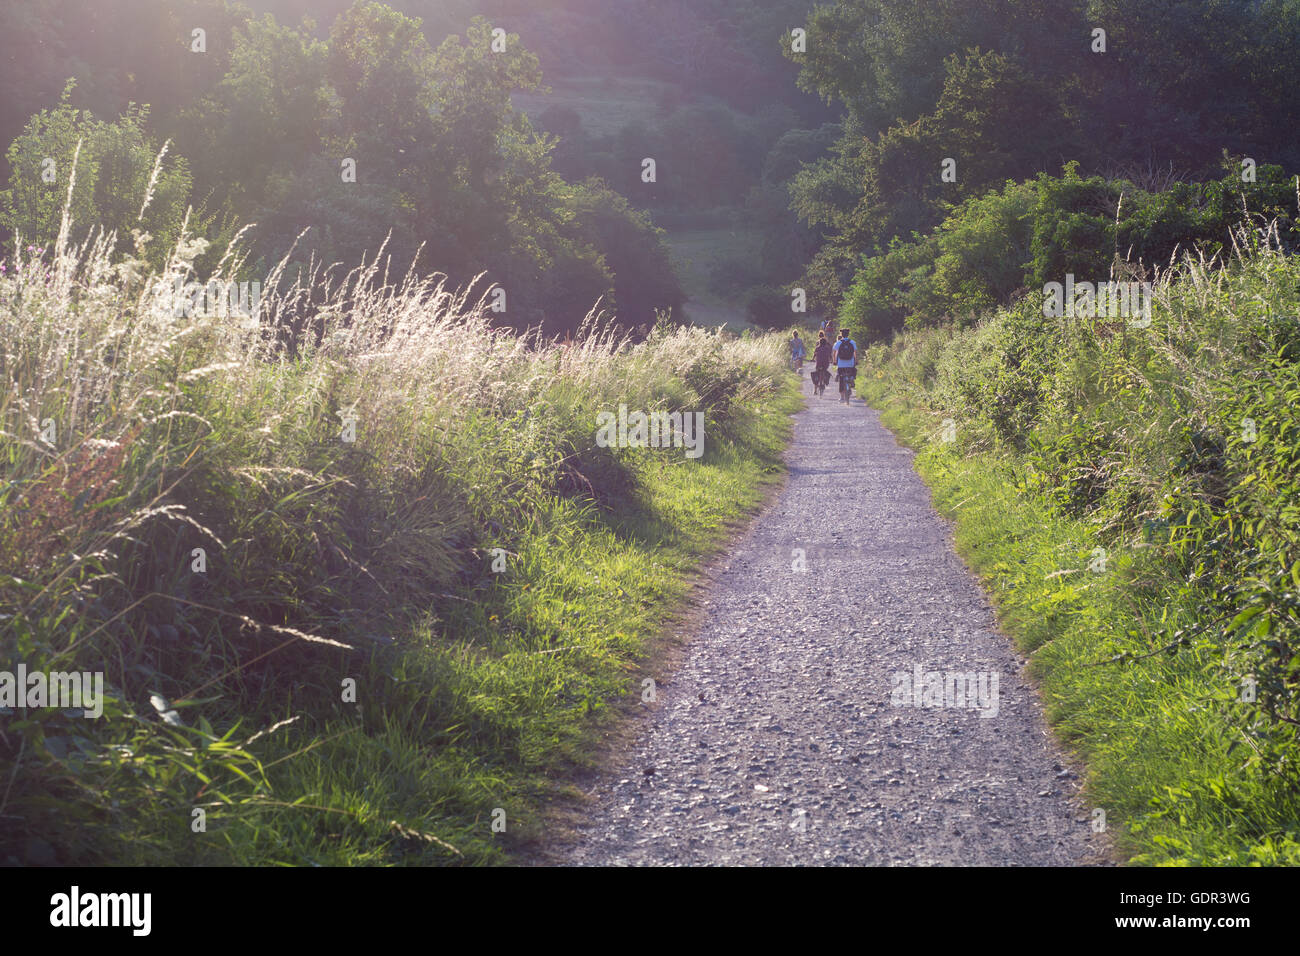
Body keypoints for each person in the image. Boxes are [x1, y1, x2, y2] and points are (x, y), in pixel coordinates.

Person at [833, 328, 858, 404]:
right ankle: (852, 378)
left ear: (841, 335)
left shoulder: (838, 343)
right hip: (850, 363)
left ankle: (842, 397)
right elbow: (855, 352)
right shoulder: (852, 342)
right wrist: (856, 360)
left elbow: (834, 352)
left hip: (841, 364)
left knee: (841, 378)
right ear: (848, 334)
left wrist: (834, 361)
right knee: (853, 370)